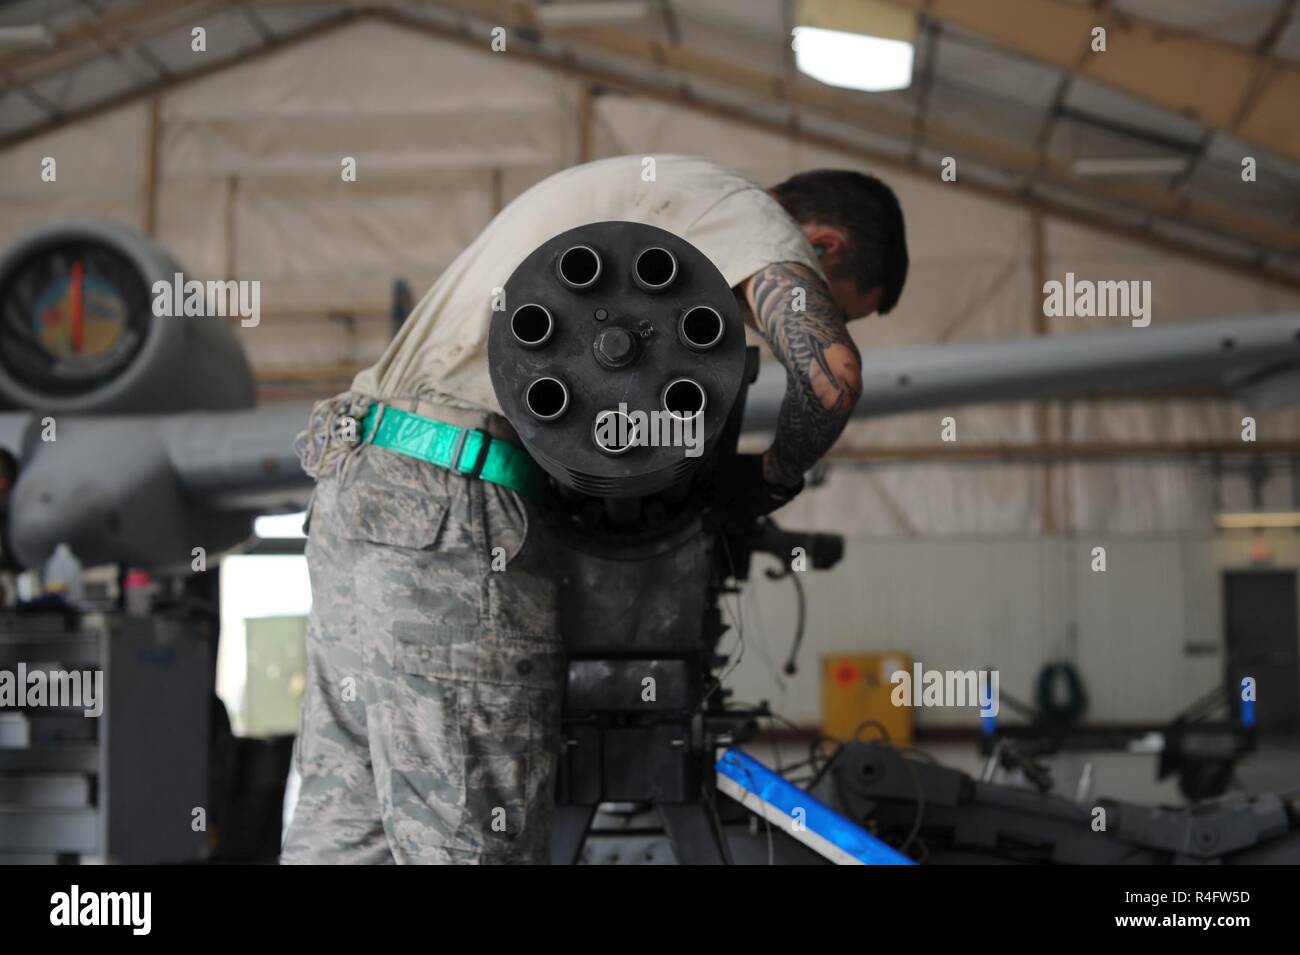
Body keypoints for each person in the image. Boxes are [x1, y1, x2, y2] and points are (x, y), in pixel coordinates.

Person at [281, 155, 908, 864]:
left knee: (347, 828)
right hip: (454, 506)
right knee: (474, 840)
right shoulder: (751, 218)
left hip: (360, 479)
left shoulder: (655, 196)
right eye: (836, 294)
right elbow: (832, 378)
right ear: (822, 246)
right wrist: (773, 475)